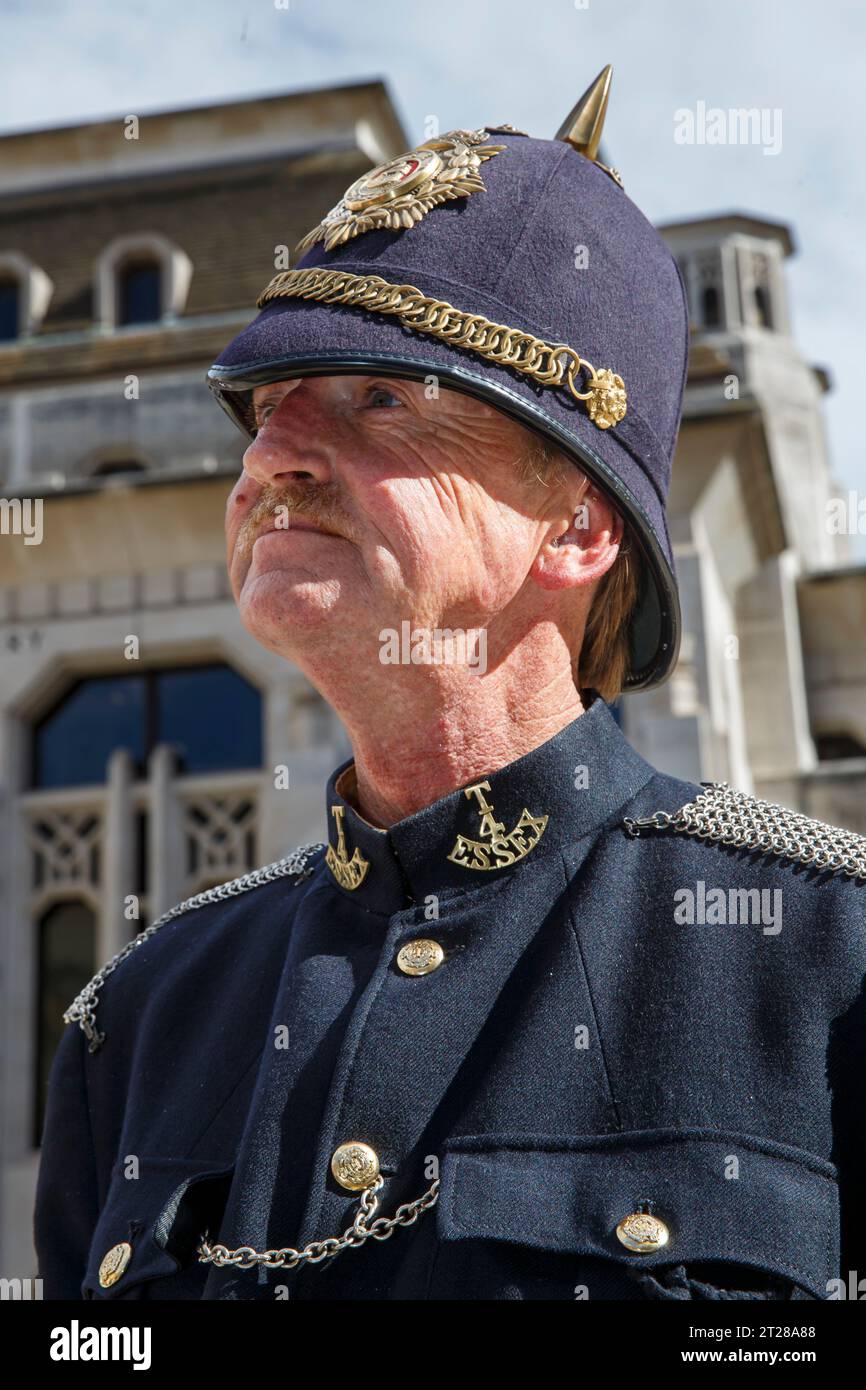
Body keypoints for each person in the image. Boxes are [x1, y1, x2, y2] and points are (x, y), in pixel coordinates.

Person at [35, 68, 866, 1302]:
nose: (272, 457)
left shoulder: (828, 961)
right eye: (265, 410)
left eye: (378, 399)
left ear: (576, 529)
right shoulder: (140, 1021)